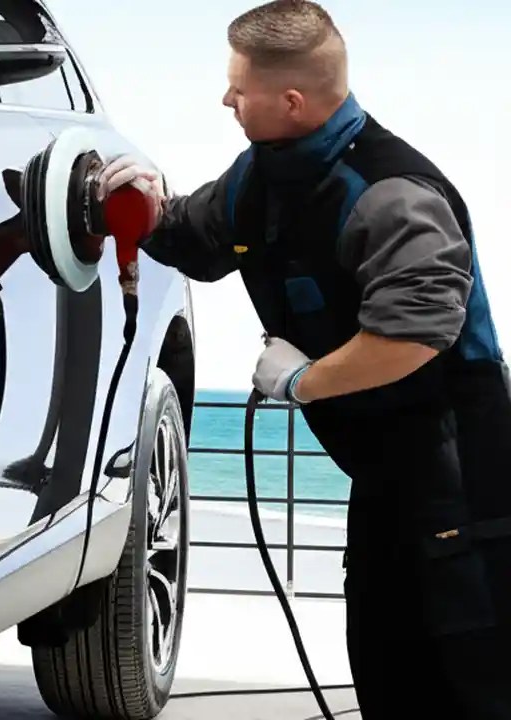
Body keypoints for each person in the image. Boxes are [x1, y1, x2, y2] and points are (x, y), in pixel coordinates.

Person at [95, 1, 511, 718]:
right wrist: (145, 204)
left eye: (238, 87)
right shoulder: (261, 177)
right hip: (382, 477)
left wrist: (301, 380)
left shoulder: (392, 195)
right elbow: (196, 237)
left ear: (290, 101)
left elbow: (414, 337)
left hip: (464, 482)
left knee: (470, 685)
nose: (225, 99)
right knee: (384, 669)